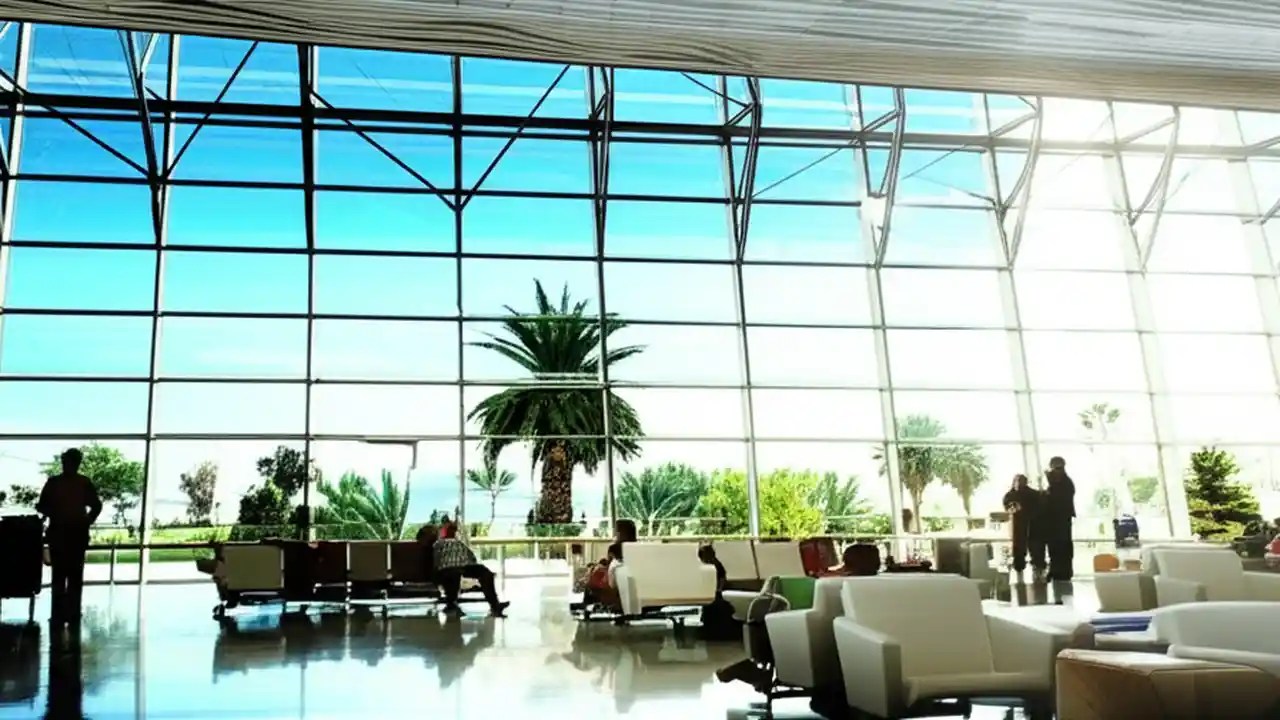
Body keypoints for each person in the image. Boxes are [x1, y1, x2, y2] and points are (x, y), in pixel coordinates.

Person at [36, 448, 102, 628]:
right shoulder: (83, 483)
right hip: (76, 534)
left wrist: (55, 512)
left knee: (59, 575)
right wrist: (87, 520)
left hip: (61, 533)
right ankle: (72, 611)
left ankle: (58, 613)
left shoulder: (54, 483)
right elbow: (96, 505)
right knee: (74, 575)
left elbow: (42, 506)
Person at [432, 522, 509, 617]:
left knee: (485, 572)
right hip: (448, 567)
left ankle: (495, 605)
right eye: (450, 529)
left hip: (465, 566)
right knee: (453, 573)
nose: (453, 532)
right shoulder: (439, 543)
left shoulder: (460, 543)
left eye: (453, 529)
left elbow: (471, 556)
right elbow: (436, 559)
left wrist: (471, 563)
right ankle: (451, 604)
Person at [1003, 474, 1047, 580]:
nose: (1019, 484)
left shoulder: (1033, 494)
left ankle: (1037, 567)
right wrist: (1013, 508)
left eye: (1021, 481)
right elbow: (1007, 506)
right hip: (1018, 524)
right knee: (1019, 547)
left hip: (1033, 524)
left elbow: (1042, 505)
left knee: (1035, 547)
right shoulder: (1010, 495)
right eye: (1017, 481)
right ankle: (1020, 566)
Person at [1044, 457, 1077, 582]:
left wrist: (1051, 484)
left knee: (1063, 545)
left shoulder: (1066, 483)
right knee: (1053, 546)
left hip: (1062, 519)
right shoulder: (1055, 482)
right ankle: (1055, 569)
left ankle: (1064, 571)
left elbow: (1060, 499)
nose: (1055, 472)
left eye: (1058, 469)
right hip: (1052, 520)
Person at [697, 545, 737, 640]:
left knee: (712, 609)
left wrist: (719, 589)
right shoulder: (711, 565)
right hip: (711, 591)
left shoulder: (715, 565)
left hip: (715, 591)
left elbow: (722, 579)